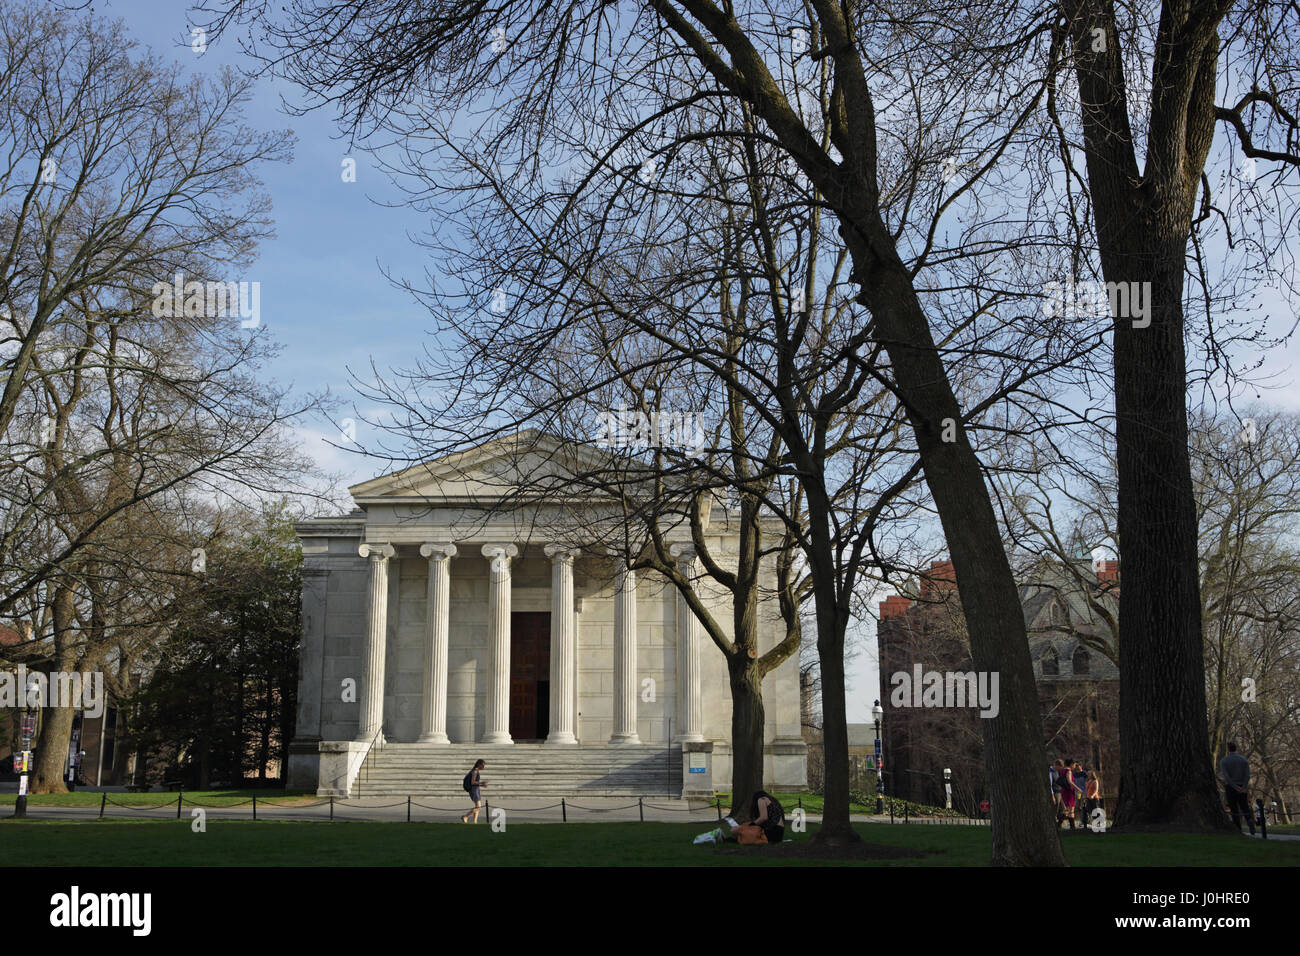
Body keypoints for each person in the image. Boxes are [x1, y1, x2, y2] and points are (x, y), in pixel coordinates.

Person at [1219, 742, 1255, 835]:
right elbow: (1247, 775)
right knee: (1244, 806)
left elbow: (1226, 776)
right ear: (1236, 748)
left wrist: (1234, 786)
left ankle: (1238, 828)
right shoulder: (1243, 760)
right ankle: (1249, 819)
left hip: (1231, 787)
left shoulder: (1224, 761)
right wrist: (1243, 787)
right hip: (1242, 786)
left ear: (1228, 749)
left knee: (1234, 808)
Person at [460, 759, 486, 824]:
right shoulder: (475, 771)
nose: (483, 767)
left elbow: (474, 783)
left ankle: (475, 821)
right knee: (478, 807)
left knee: (477, 806)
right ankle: (466, 817)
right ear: (479, 764)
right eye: (482, 765)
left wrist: (482, 785)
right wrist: (482, 783)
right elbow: (473, 782)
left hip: (475, 790)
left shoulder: (475, 770)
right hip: (474, 791)